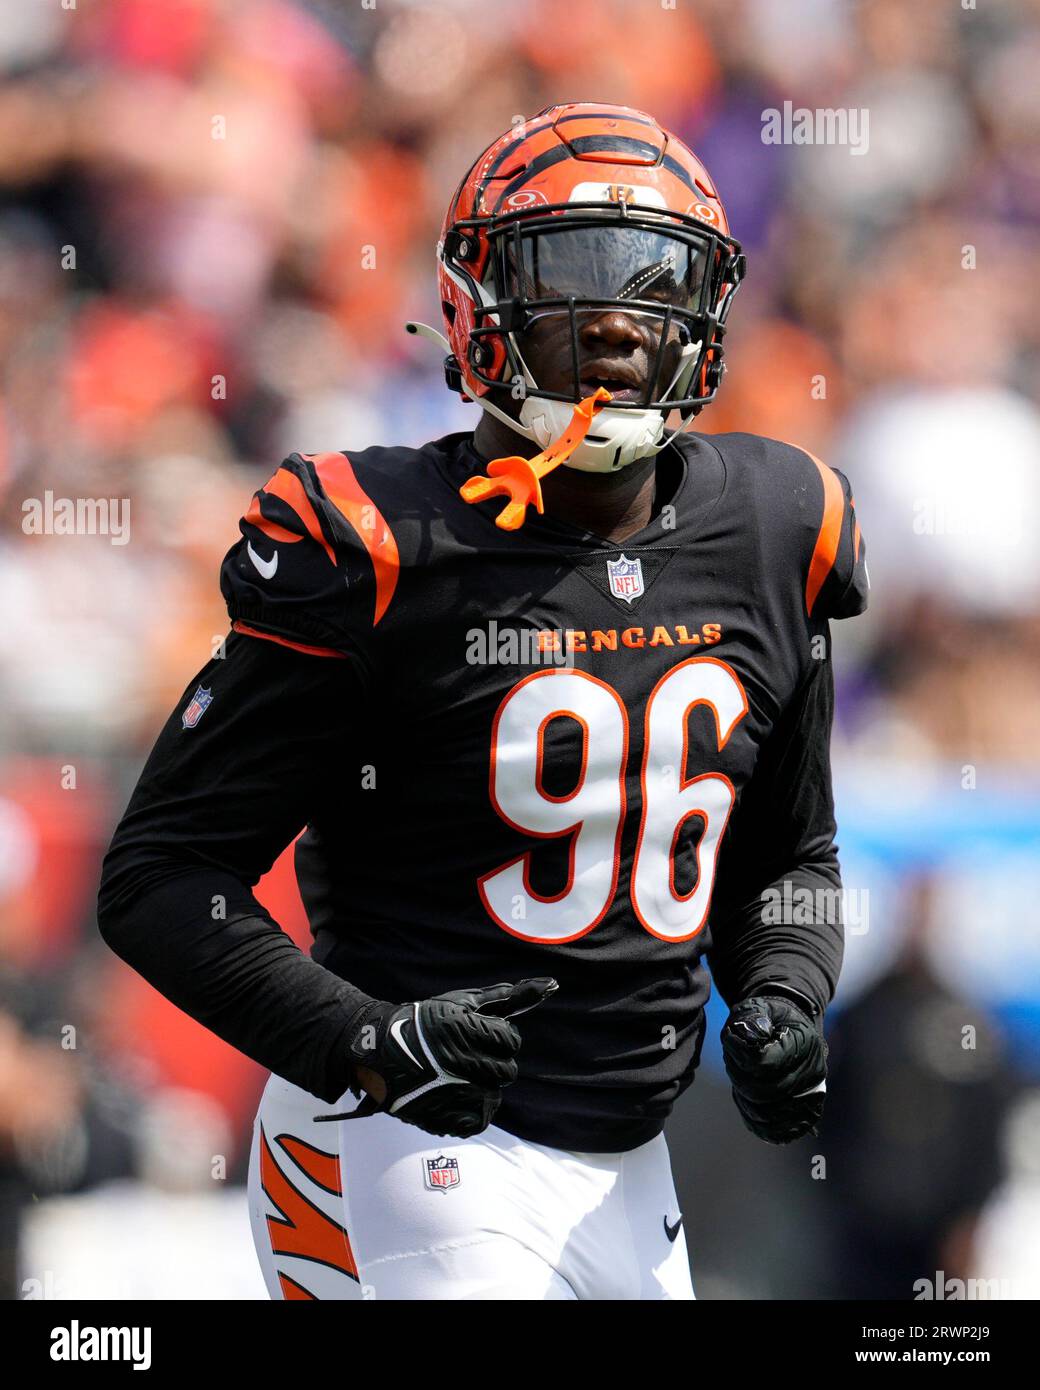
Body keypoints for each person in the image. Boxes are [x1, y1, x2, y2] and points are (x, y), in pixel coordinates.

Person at [98, 102, 868, 1301]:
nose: (615, 316)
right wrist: (364, 1038)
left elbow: (787, 853)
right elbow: (160, 876)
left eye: (651, 276)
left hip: (630, 1170)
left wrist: (780, 991)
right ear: (475, 301)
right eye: (571, 268)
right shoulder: (372, 542)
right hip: (398, 1140)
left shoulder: (777, 526)